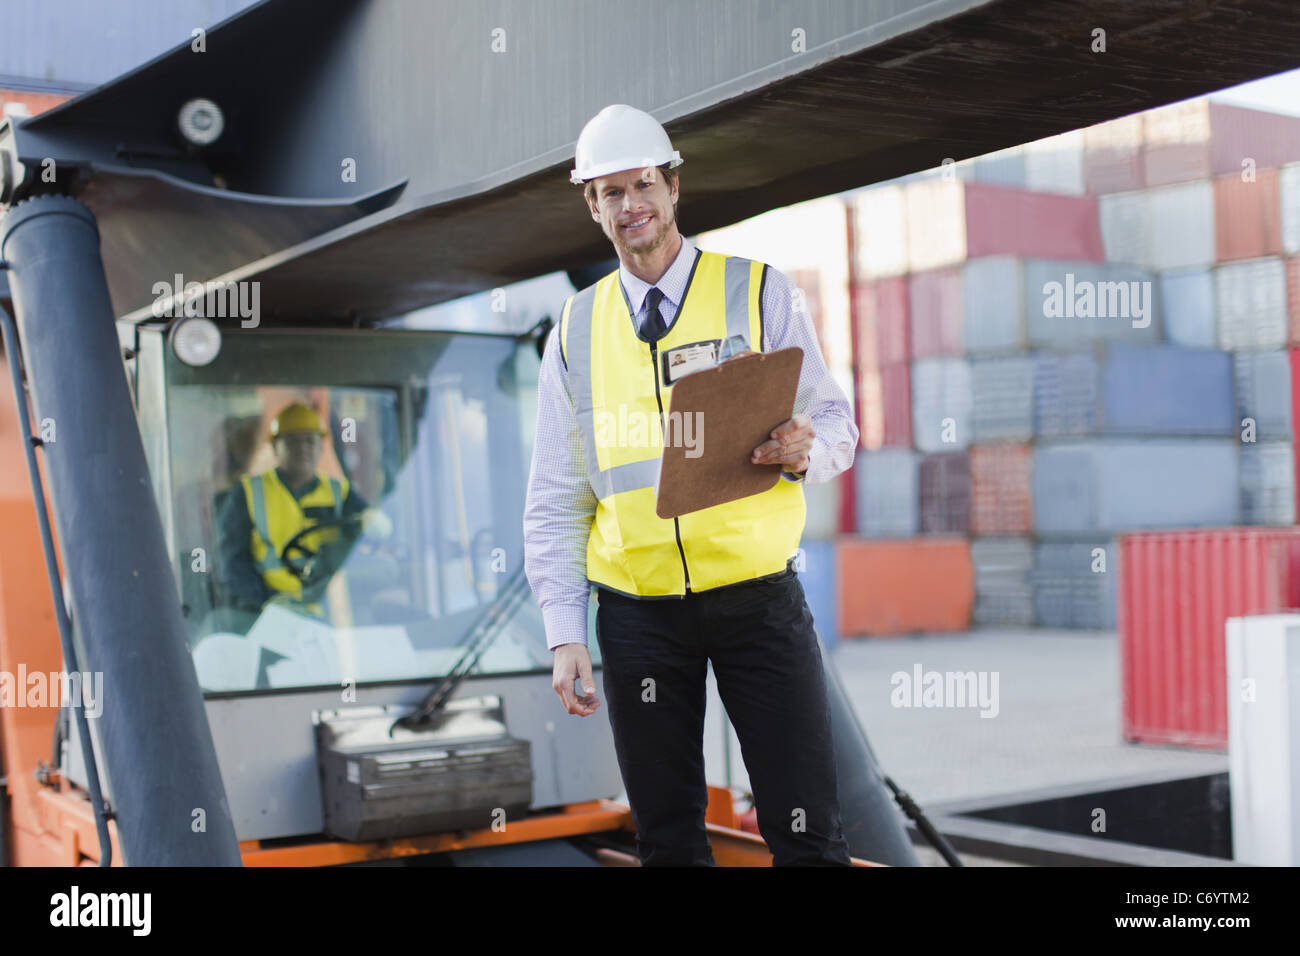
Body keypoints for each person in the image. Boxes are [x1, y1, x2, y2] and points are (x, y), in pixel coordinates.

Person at [523, 105, 860, 866]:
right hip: (639, 617)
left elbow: (837, 422)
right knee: (669, 841)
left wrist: (806, 451)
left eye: (642, 184)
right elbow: (555, 496)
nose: (629, 205)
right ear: (592, 205)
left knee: (808, 831)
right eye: (609, 192)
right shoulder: (575, 331)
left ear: (673, 187)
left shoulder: (758, 292)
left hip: (756, 601)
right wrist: (565, 631)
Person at [217, 401, 389, 616]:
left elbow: (366, 531)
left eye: (310, 441)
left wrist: (374, 522)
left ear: (321, 446)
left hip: (329, 609)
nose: (303, 449)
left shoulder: (340, 492)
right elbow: (232, 562)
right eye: (293, 441)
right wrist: (263, 604)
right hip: (268, 609)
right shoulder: (248, 493)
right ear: (275, 446)